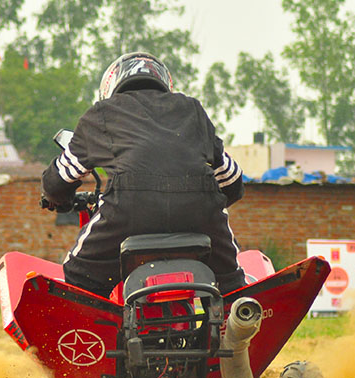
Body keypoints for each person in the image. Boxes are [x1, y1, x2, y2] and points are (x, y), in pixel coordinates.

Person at [42, 51, 247, 298]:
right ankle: (240, 312)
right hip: (200, 215)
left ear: (111, 84)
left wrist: (59, 199)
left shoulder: (102, 113)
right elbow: (233, 180)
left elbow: (58, 180)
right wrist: (209, 202)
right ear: (164, 81)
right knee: (233, 288)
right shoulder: (192, 109)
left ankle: (94, 322)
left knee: (78, 278)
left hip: (128, 213)